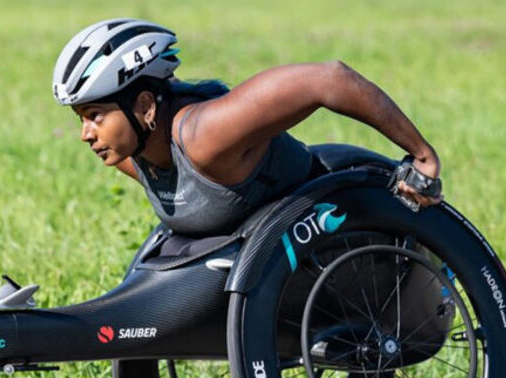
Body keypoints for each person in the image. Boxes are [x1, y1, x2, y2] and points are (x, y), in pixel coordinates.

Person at [52, 18, 444, 236]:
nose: (85, 134)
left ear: (143, 106)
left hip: (351, 222)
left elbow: (330, 78)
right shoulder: (131, 154)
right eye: (81, 119)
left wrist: (422, 157)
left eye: (95, 116)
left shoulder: (206, 137)